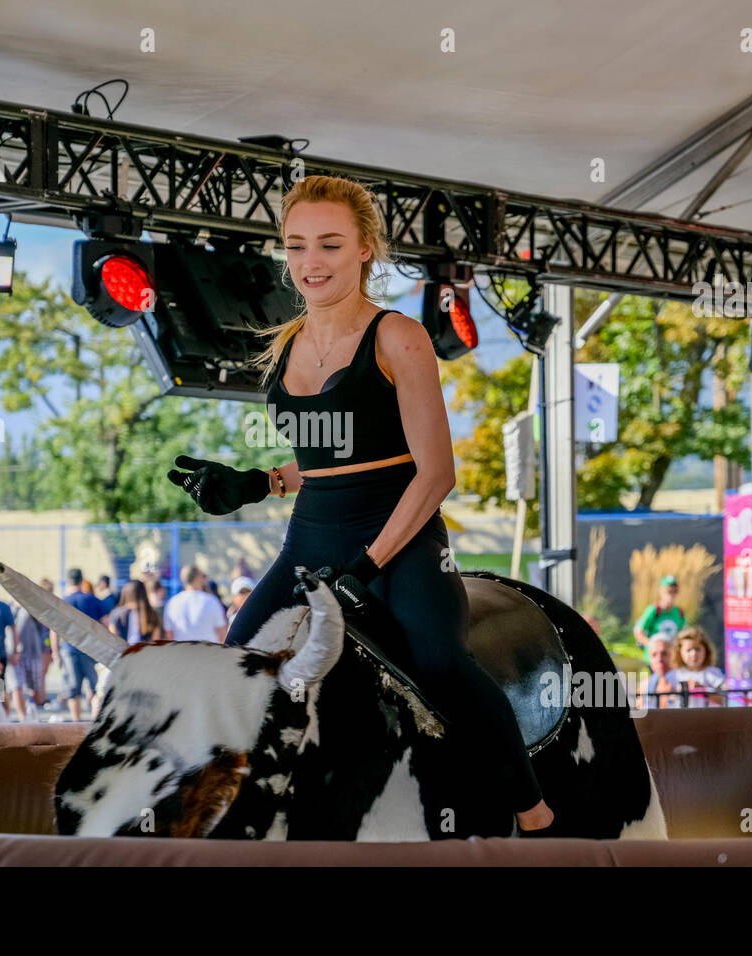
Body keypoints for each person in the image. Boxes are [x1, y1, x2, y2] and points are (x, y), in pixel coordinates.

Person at [165, 174, 553, 835]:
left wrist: (367, 565)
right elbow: (329, 463)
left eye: (330, 245)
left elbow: (436, 474)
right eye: (296, 246)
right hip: (310, 540)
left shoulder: (399, 337)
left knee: (438, 663)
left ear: (365, 249)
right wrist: (260, 482)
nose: (311, 263)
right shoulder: (285, 346)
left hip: (401, 541)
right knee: (240, 661)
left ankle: (536, 814)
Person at [57, 568, 106, 721]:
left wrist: (54, 651)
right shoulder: (92, 600)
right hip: (90, 648)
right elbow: (105, 623)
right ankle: (96, 721)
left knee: (73, 690)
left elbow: (54, 629)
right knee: (95, 687)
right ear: (82, 579)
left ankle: (76, 723)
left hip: (69, 649)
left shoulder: (63, 601)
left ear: (68, 580)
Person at [162, 565, 229, 643]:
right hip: (207, 653)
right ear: (197, 578)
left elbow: (169, 636)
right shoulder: (211, 601)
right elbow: (222, 634)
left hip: (181, 653)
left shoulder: (172, 603)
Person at [9, 600, 49, 720]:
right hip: (13, 655)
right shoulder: (8, 608)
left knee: (35, 688)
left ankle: (33, 713)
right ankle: (23, 718)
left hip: (33, 653)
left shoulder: (31, 606)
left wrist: (46, 649)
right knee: (16, 686)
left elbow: (44, 628)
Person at [668, 626, 725, 708]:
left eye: (698, 649)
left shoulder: (712, 673)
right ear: (679, 652)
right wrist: (679, 692)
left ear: (706, 650)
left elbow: (724, 700)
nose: (694, 654)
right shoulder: (674, 675)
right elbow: (668, 701)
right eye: (689, 650)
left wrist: (703, 690)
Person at [633, 575, 686, 652]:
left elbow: (682, 634)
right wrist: (652, 645)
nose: (672, 594)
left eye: (675, 591)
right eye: (669, 590)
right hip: (654, 658)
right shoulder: (653, 610)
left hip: (671, 656)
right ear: (661, 591)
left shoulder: (679, 612)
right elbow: (639, 632)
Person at [107, 580, 163, 645]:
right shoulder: (152, 614)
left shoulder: (116, 614)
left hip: (123, 653)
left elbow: (113, 640)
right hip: (146, 652)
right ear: (144, 594)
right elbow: (155, 641)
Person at [638, 636, 680, 710]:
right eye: (654, 655)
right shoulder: (644, 685)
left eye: (664, 653)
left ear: (674, 655)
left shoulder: (685, 682)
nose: (659, 659)